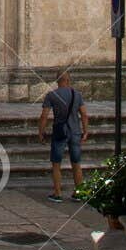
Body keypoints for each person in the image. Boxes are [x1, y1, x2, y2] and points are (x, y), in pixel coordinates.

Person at [39, 69, 89, 201]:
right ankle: (79, 192)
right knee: (76, 163)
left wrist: (41, 132)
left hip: (59, 131)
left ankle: (58, 193)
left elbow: (44, 116)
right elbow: (84, 114)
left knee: (56, 163)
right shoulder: (76, 94)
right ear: (68, 80)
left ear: (57, 81)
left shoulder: (52, 95)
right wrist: (85, 130)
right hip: (75, 132)